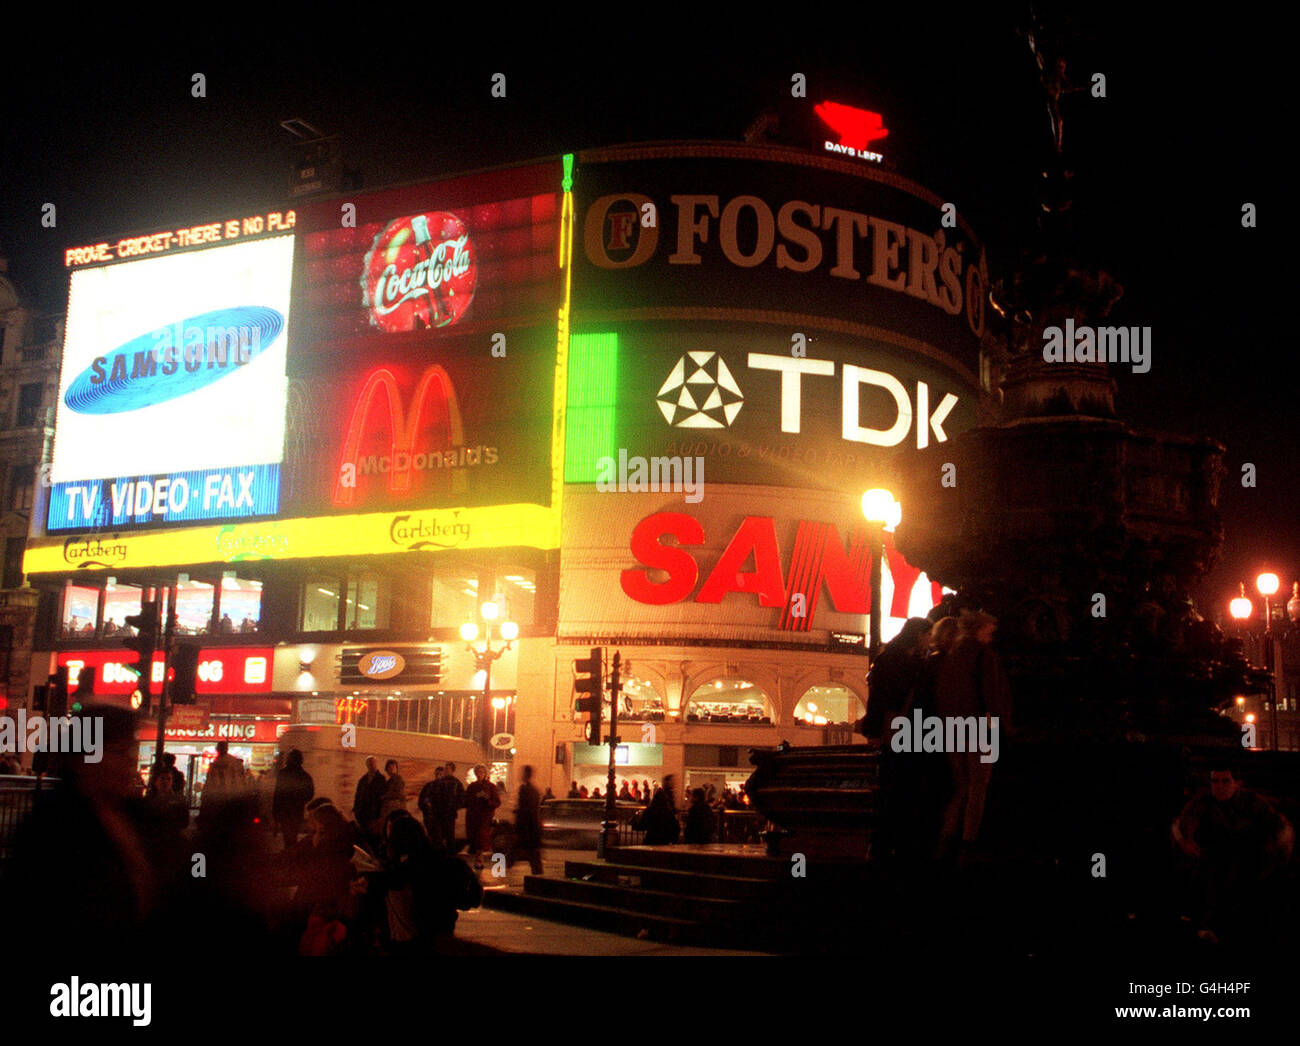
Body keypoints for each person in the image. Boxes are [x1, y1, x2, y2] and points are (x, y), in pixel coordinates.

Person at [1173, 764, 1294, 943]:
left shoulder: (1252, 801)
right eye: (1215, 781)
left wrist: (1274, 851)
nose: (1219, 786)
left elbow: (1281, 827)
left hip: (1251, 854)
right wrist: (1185, 841)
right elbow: (1183, 822)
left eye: (1225, 781)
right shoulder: (1204, 801)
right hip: (1217, 854)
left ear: (1237, 783)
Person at [935, 611, 1011, 863]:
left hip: (952, 728)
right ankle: (969, 841)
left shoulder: (953, 656)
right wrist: (997, 728)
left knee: (961, 786)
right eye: (989, 630)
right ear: (981, 630)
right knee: (978, 786)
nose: (992, 635)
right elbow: (991, 698)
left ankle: (947, 837)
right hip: (978, 729)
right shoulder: (984, 656)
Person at [272, 748, 314, 848]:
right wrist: (300, 800)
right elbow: (310, 794)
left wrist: (275, 814)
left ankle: (288, 855)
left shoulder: (283, 774)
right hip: (297, 811)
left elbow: (277, 794)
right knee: (293, 835)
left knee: (287, 837)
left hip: (284, 811)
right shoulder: (305, 776)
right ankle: (291, 855)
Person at [421, 762, 466, 853]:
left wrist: (453, 806)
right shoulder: (438, 783)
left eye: (448, 769)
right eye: (445, 769)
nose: (446, 771)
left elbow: (462, 799)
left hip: (449, 814)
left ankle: (450, 855)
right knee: (438, 835)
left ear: (452, 770)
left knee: (449, 835)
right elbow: (429, 795)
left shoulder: (456, 783)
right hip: (438, 813)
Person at [508, 765, 545, 876]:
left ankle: (500, 869)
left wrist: (517, 822)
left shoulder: (525, 789)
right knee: (533, 855)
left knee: (524, 852)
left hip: (527, 827)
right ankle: (538, 876)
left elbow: (524, 809)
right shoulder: (534, 790)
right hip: (532, 828)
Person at [464, 765, 500, 869]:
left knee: (481, 839)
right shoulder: (472, 787)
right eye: (478, 772)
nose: (479, 774)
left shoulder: (491, 787)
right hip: (473, 816)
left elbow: (496, 802)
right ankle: (477, 859)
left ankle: (479, 860)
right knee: (474, 839)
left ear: (485, 774)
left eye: (481, 772)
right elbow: (467, 800)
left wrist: (487, 800)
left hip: (484, 817)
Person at [640, 775, 680, 845]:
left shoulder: (651, 809)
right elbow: (675, 826)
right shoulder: (667, 810)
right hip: (664, 838)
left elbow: (643, 823)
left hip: (651, 837)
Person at [352, 756, 386, 835]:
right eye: (369, 764)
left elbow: (382, 796)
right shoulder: (363, 779)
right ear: (367, 765)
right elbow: (358, 794)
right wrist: (356, 808)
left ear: (376, 764)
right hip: (362, 812)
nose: (371, 765)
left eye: (373, 763)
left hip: (374, 813)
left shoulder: (381, 779)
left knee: (373, 834)